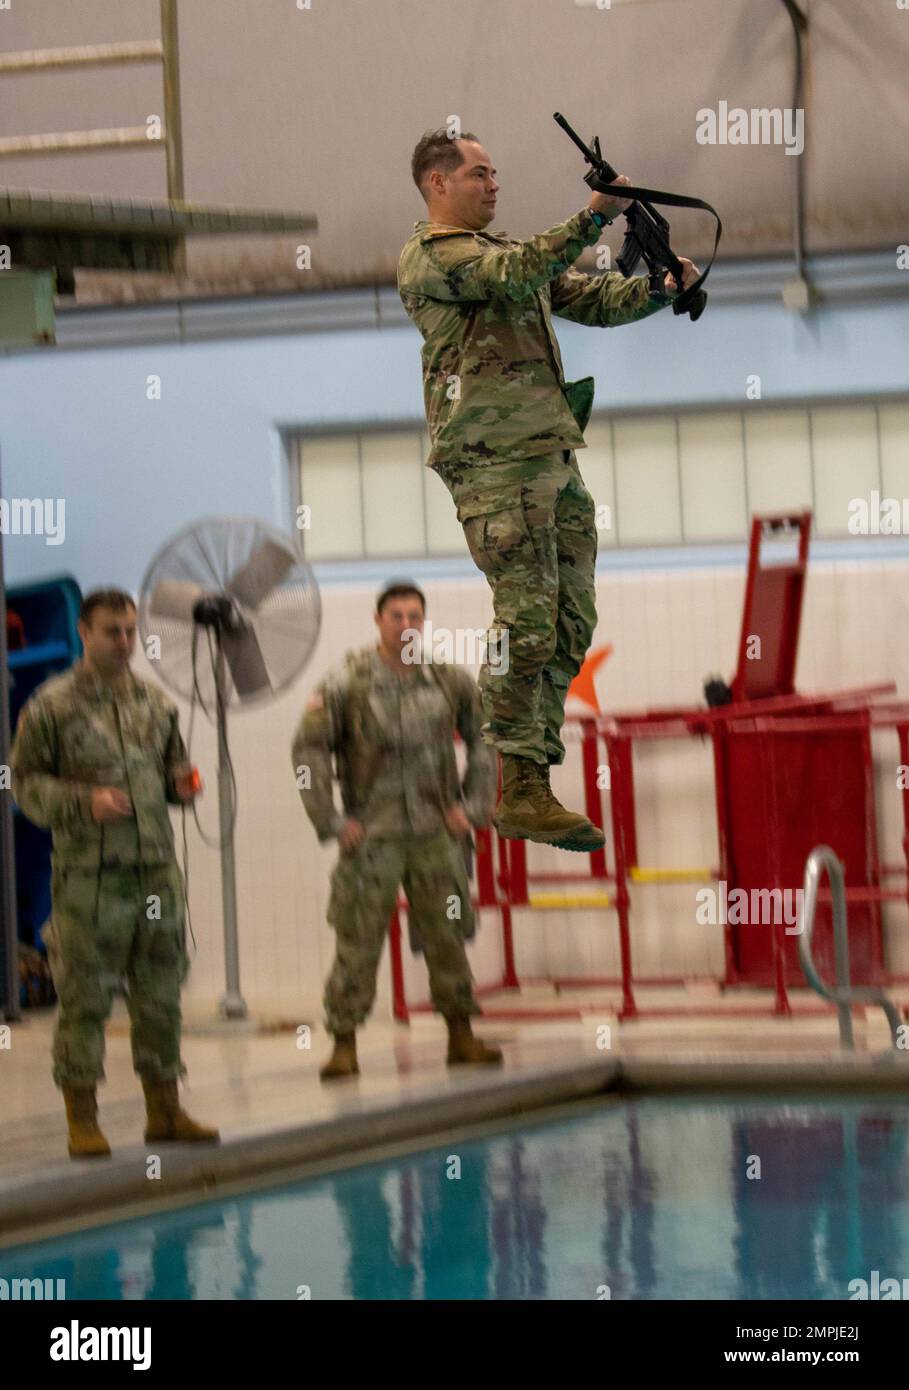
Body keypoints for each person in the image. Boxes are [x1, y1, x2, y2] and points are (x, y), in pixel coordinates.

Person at [398, 129, 701, 852]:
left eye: (496, 170)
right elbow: (516, 276)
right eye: (478, 172)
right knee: (525, 621)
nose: (493, 182)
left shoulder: (502, 255)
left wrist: (658, 291)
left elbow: (581, 297)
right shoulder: (434, 257)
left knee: (571, 619)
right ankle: (519, 784)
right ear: (437, 183)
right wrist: (593, 215)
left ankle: (531, 776)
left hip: (549, 455)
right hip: (494, 464)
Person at [10, 588, 218, 1158]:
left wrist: (183, 787)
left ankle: (165, 1110)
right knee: (85, 999)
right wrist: (84, 802)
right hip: (90, 882)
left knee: (159, 996)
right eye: (112, 632)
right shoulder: (51, 707)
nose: (124, 642)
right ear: (84, 632)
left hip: (155, 874)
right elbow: (24, 787)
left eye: (130, 631)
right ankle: (82, 1117)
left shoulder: (155, 704)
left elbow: (174, 772)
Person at [291, 580, 501, 1079]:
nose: (406, 625)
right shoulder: (348, 682)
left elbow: (485, 738)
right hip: (374, 838)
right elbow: (308, 751)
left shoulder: (448, 681)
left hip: (434, 834)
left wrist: (472, 807)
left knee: (447, 935)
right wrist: (331, 821)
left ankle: (461, 1035)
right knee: (357, 941)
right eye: (396, 616)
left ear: (423, 622)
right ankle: (344, 1043)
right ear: (378, 620)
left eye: (414, 616)